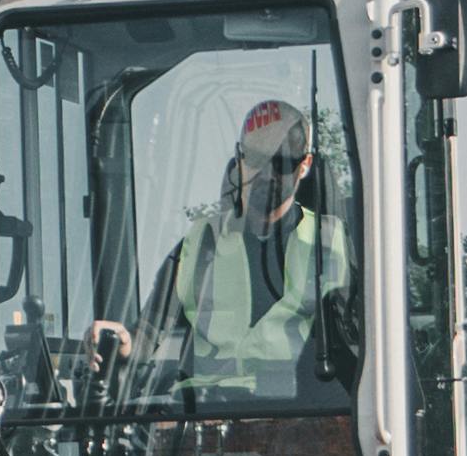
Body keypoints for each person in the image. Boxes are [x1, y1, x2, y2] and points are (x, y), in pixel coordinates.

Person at [146, 95, 345, 390]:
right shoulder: (199, 243)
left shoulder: (331, 244)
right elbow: (148, 331)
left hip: (303, 415)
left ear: (305, 165)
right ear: (239, 158)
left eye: (282, 162)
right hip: (203, 416)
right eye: (255, 157)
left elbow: (361, 340)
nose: (266, 173)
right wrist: (121, 344)